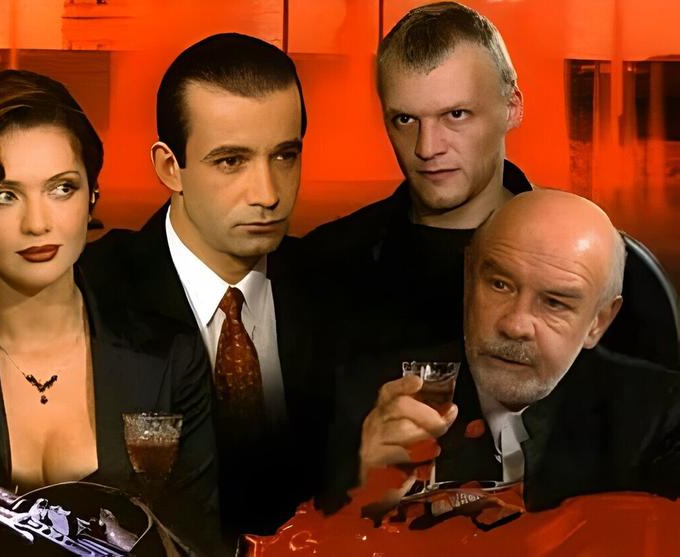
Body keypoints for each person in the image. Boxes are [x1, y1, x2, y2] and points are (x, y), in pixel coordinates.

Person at [0, 70, 219, 555]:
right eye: (4, 195)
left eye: (61, 188)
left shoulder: (169, 357)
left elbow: (198, 541)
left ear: (91, 196)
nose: (38, 223)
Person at [81, 33, 331, 541]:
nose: (267, 194)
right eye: (231, 161)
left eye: (284, 156)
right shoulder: (89, 294)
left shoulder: (337, 289)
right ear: (169, 167)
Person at [350, 190, 680, 511]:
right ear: (469, 278)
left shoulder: (662, 419)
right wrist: (363, 498)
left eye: (554, 303)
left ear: (598, 322)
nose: (515, 325)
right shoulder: (369, 396)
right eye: (500, 285)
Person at [301, 1, 529, 357]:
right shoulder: (322, 264)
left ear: (511, 108)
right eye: (405, 120)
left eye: (456, 114)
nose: (427, 148)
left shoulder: (592, 262)